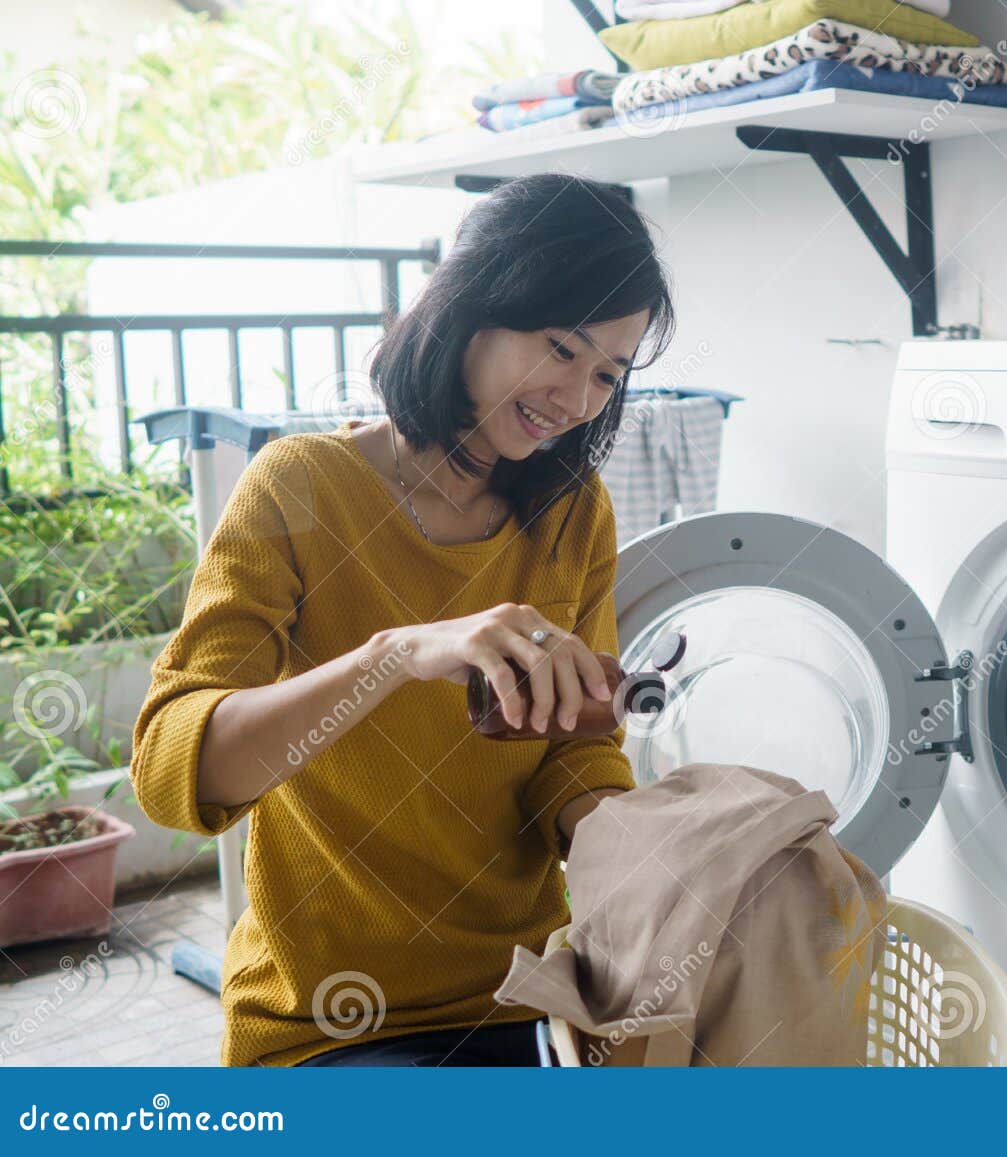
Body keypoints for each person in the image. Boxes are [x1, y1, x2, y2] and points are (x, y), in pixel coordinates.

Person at [130, 173, 676, 1067]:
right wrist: (396, 655)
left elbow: (571, 746)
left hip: (530, 990)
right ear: (475, 302)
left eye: (607, 374)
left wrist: (638, 844)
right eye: (562, 349)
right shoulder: (301, 487)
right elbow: (170, 769)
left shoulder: (575, 512)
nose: (579, 400)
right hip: (329, 1024)